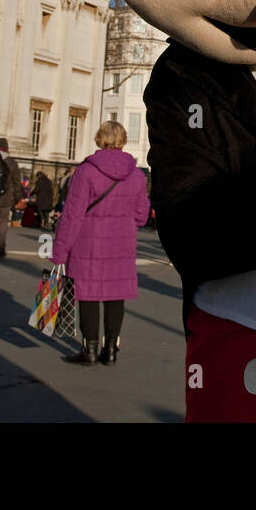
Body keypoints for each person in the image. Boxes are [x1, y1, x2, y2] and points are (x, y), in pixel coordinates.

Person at [50, 121, 151, 365]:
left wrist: (59, 251)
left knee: (88, 294)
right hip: (121, 245)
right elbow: (141, 216)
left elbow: (72, 215)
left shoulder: (86, 172)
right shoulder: (137, 175)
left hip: (89, 243)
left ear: (99, 139)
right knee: (116, 295)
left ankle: (90, 349)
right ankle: (112, 350)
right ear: (123, 140)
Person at [0, 138, 23, 258]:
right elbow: (17, 183)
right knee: (3, 222)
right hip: (5, 197)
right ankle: (0, 245)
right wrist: (18, 197)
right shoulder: (12, 163)